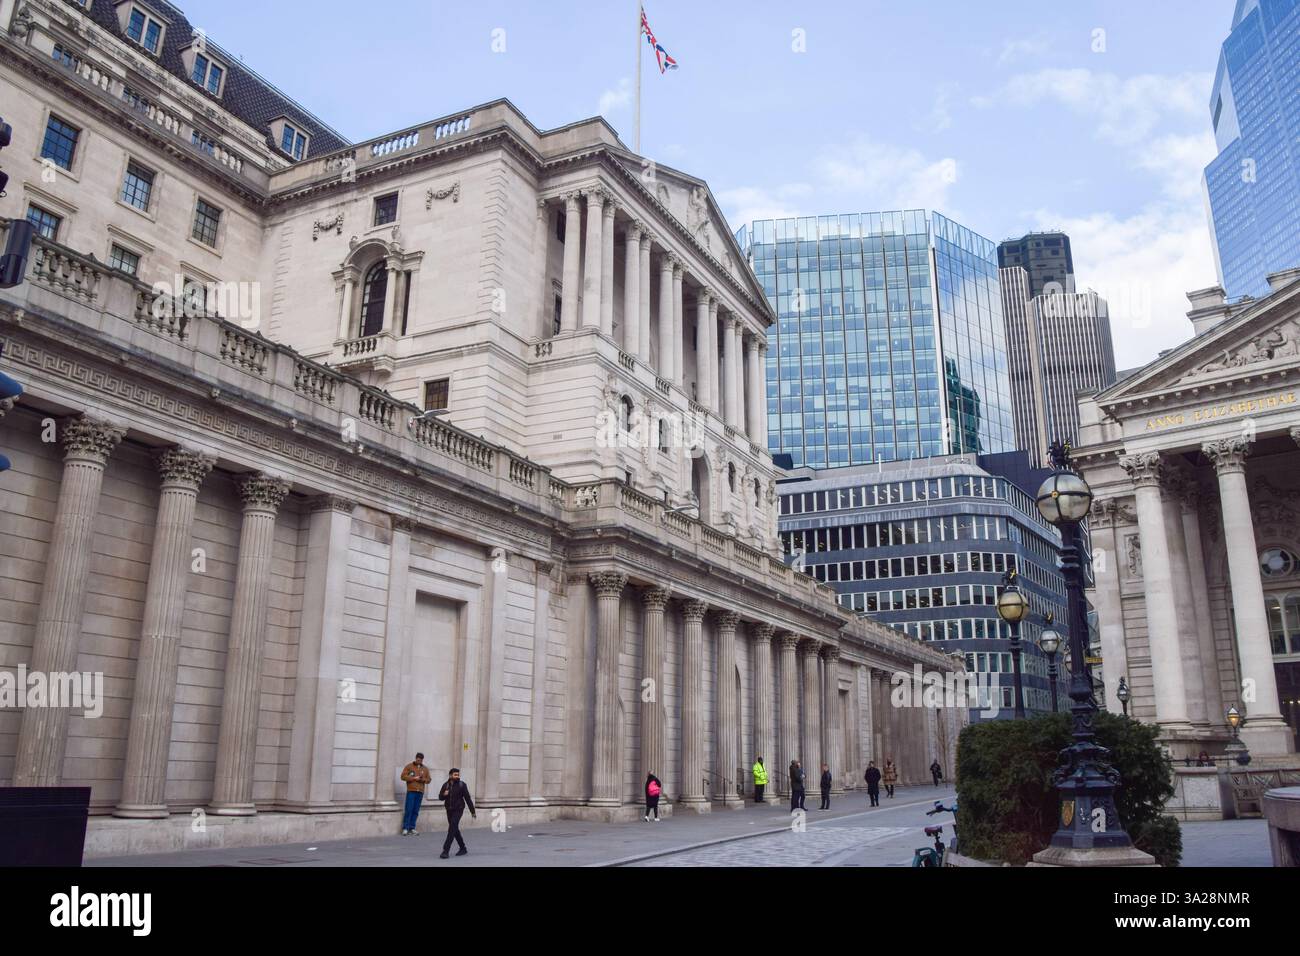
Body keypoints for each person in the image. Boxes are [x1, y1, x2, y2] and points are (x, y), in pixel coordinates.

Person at [437, 767, 476, 858]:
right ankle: (463, 848)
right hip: (449, 810)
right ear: (450, 775)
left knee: (452, 828)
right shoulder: (445, 785)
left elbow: (468, 798)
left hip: (459, 809)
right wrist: (444, 795)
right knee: (454, 829)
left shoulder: (462, 785)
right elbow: (440, 797)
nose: (457, 776)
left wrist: (472, 811)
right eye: (455, 775)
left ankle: (445, 850)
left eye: (458, 775)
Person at [400, 752, 431, 835]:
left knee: (415, 810)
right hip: (411, 791)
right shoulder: (409, 766)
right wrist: (413, 778)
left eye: (420, 760)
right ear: (415, 758)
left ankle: (412, 828)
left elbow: (429, 780)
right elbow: (403, 776)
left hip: (420, 792)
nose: (419, 760)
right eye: (418, 759)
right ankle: (405, 828)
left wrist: (422, 779)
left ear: (422, 760)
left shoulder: (425, 769)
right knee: (409, 809)